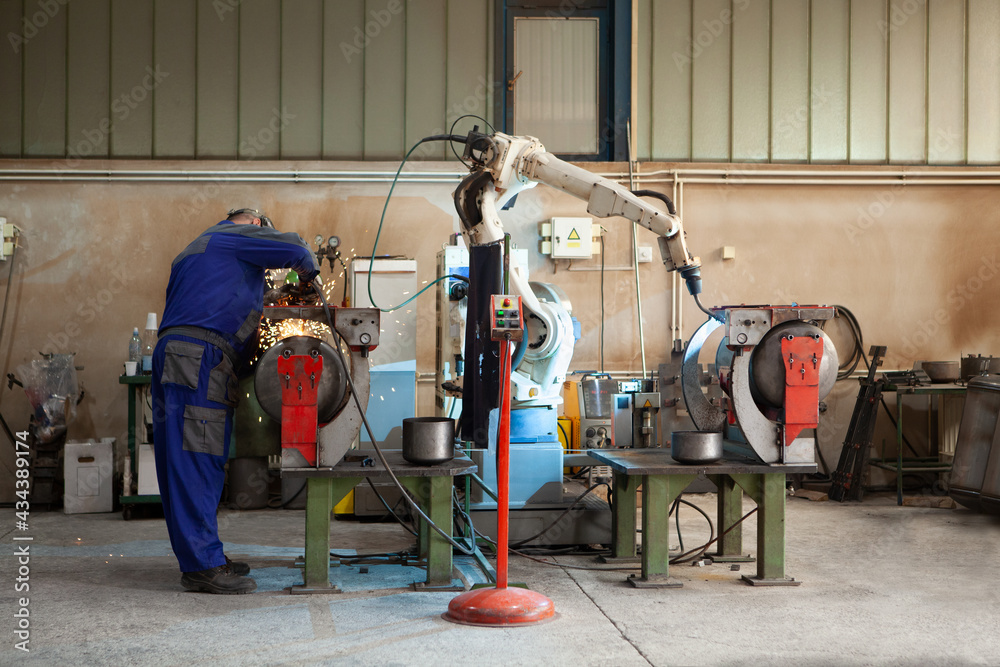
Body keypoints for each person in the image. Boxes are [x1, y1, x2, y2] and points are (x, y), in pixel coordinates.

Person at [151, 208, 319, 594]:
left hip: (190, 356)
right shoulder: (234, 235)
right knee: (197, 460)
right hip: (197, 358)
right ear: (257, 225)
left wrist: (272, 297)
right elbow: (296, 248)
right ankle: (201, 566)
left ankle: (206, 556)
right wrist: (310, 278)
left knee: (196, 459)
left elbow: (223, 302)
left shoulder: (201, 251)